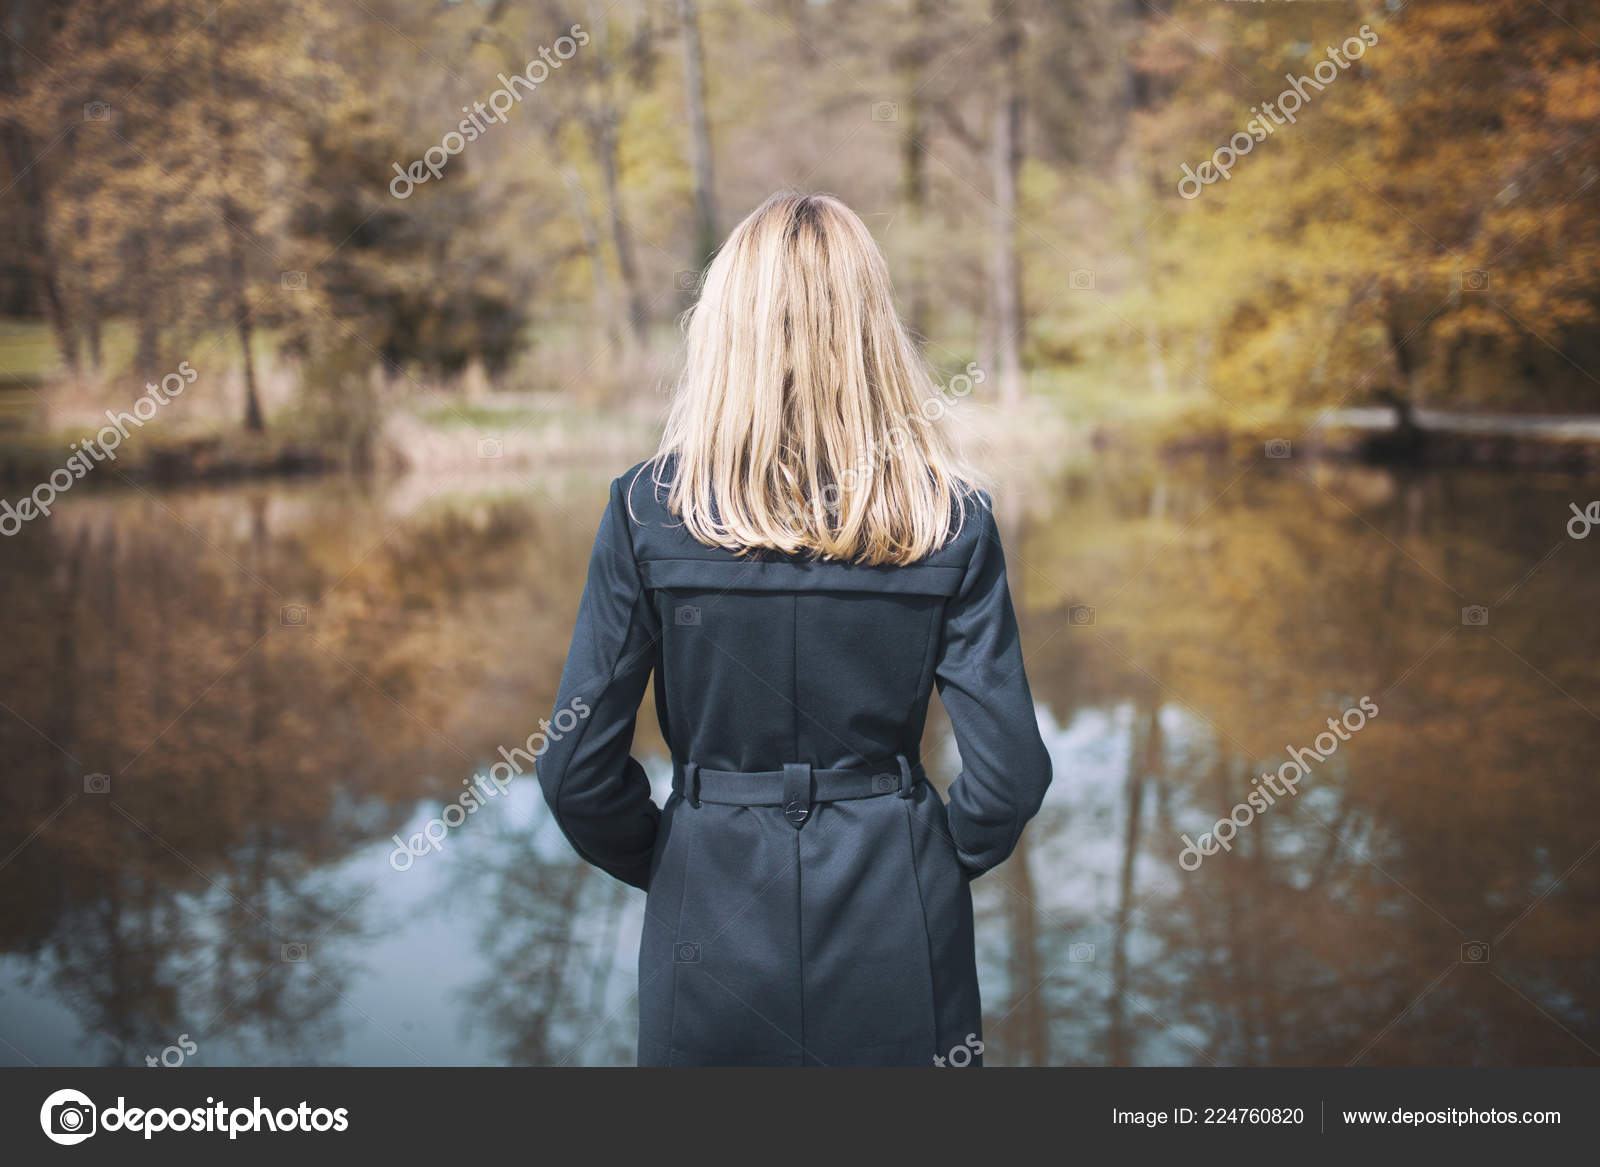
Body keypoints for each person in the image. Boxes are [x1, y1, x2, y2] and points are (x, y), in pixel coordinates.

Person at [536, 191, 1052, 1066]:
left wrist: (681, 854)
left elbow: (576, 772)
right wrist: (920, 863)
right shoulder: (949, 518)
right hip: (899, 916)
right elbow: (1007, 778)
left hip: (708, 918)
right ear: (873, 333)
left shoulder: (646, 510)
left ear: (724, 328)